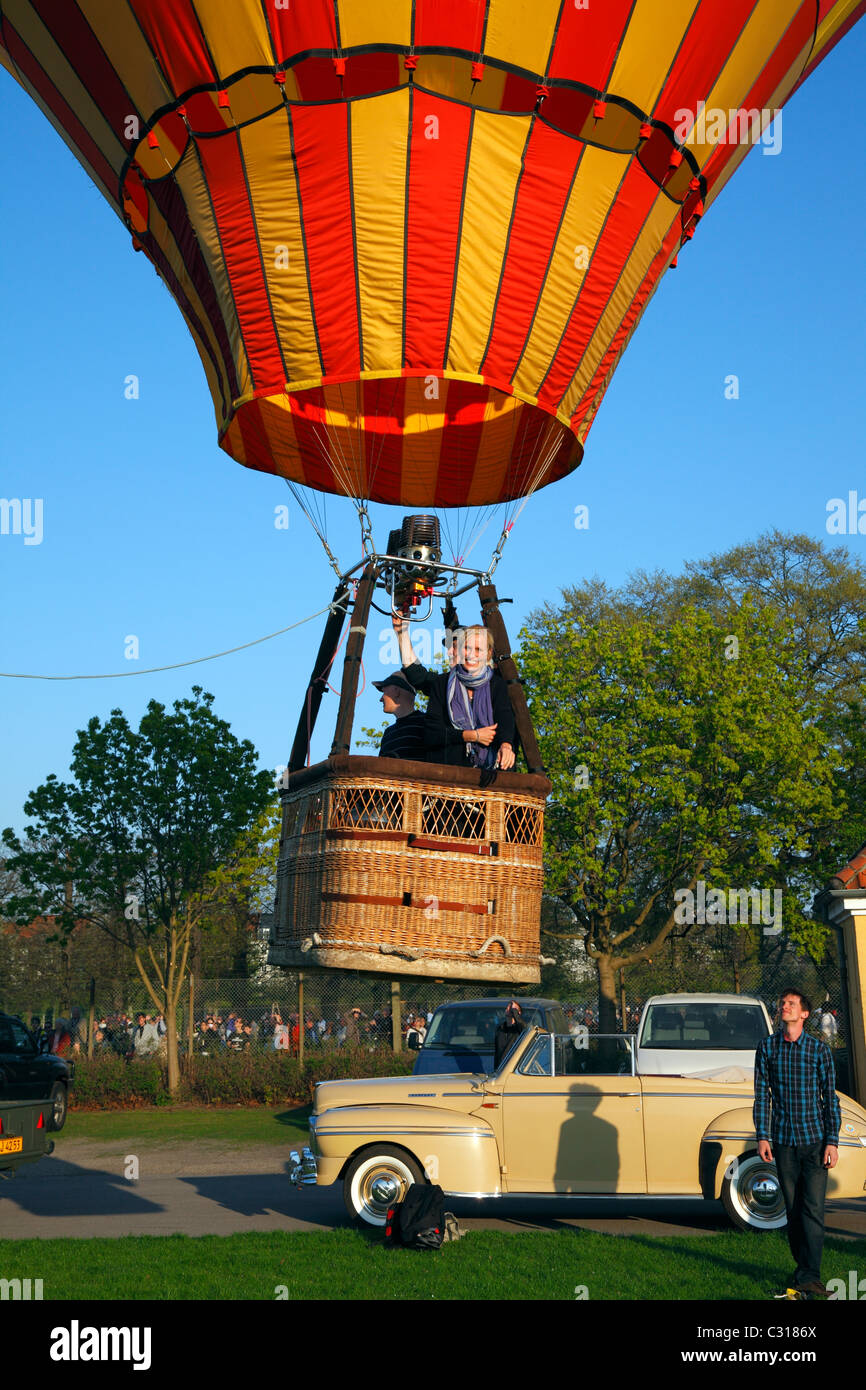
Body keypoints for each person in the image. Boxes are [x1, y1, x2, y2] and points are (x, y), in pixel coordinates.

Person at [754, 988, 840, 1299]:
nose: (784, 1006)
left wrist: (832, 1142)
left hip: (815, 1142)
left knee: (813, 1209)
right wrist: (762, 1135)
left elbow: (830, 1100)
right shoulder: (767, 1048)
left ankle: (810, 1276)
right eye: (783, 1003)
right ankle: (804, 1271)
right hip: (783, 1142)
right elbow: (762, 1095)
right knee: (792, 1210)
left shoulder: (819, 1051)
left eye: (791, 1004)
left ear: (804, 1014)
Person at [396, 617, 516, 771]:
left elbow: (505, 722)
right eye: (464, 648)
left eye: (454, 646)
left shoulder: (497, 685)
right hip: (449, 775)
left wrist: (506, 746)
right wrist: (401, 632)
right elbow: (416, 674)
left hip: (488, 774)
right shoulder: (443, 684)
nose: (449, 652)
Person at [373, 671, 427, 760]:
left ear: (396, 692)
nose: (381, 699)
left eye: (384, 692)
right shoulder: (388, 733)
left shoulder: (427, 723)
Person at [494, 1000, 527, 1068]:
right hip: (501, 1069)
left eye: (512, 1007)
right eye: (508, 1006)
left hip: (514, 1068)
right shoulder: (500, 1029)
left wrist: (514, 1012)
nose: (509, 1008)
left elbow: (523, 1027)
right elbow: (497, 1053)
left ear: (518, 1013)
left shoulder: (520, 1029)